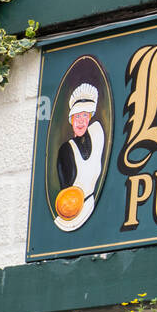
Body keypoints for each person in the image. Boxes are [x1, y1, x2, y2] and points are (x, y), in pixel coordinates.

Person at [54, 82, 105, 232]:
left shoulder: (97, 135)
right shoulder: (66, 150)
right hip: (75, 208)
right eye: (77, 116)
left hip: (91, 203)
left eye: (85, 115)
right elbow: (66, 186)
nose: (81, 121)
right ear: (71, 120)